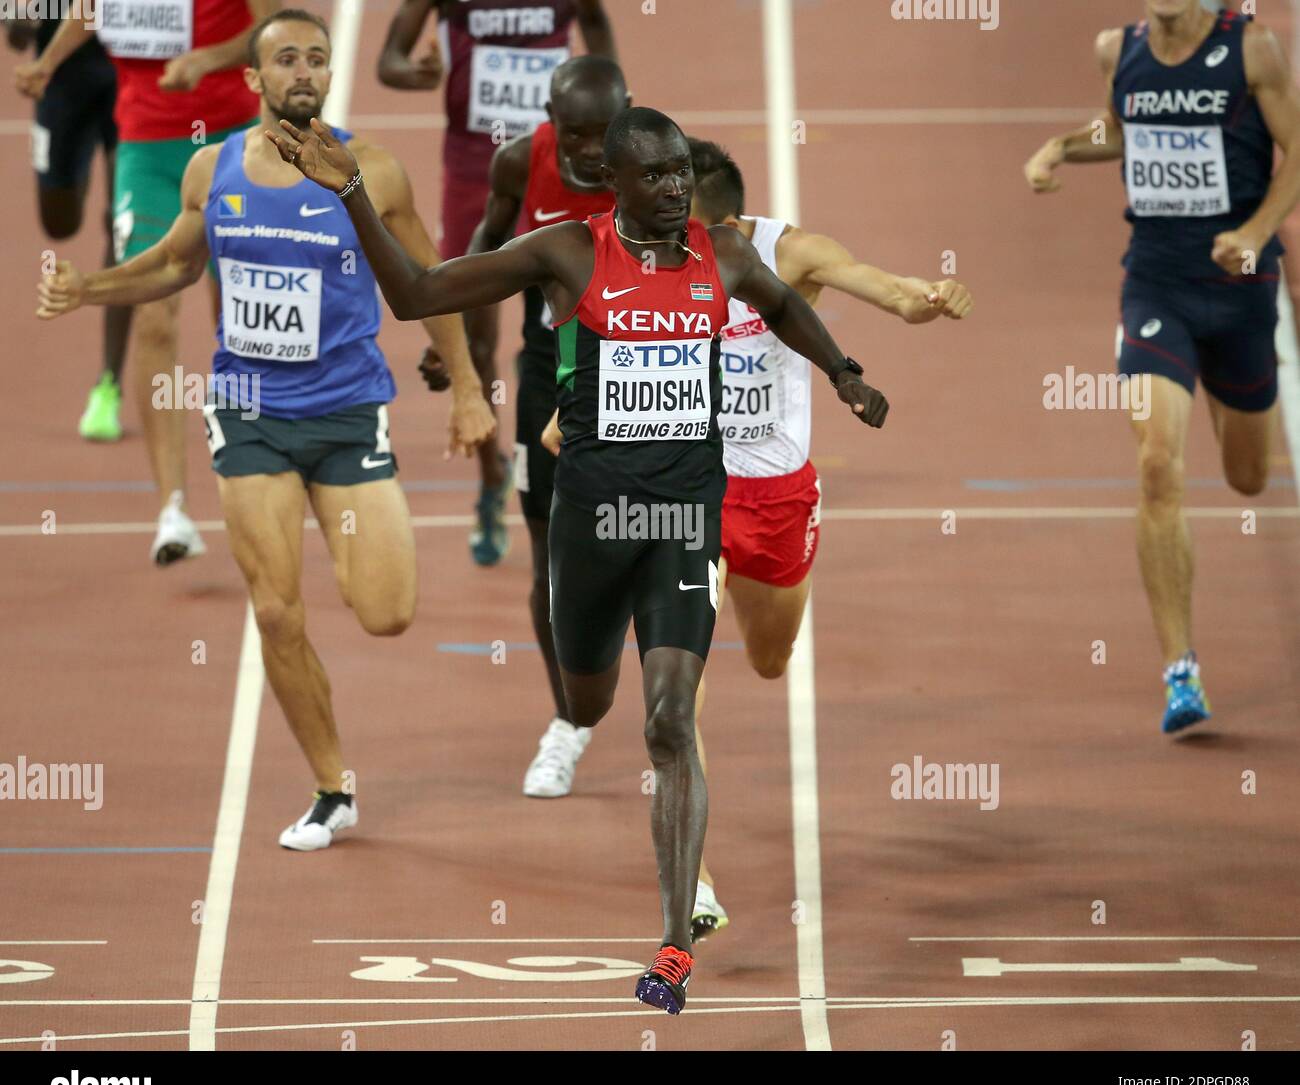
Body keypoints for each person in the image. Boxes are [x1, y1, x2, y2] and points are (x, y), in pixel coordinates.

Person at [264, 104, 888, 1012]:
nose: (678, 188)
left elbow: (786, 305)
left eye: (684, 172)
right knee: (591, 695)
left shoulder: (726, 256)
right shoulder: (565, 253)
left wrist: (843, 372)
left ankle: (676, 945)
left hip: (681, 517)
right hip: (592, 528)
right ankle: (578, 714)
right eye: (659, 176)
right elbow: (417, 291)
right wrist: (354, 192)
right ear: (617, 186)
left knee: (670, 722)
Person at [36, 8, 496, 851]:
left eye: (317, 60)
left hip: (348, 411)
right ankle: (332, 787)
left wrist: (468, 388)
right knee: (278, 613)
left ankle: (334, 768)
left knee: (385, 612)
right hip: (250, 417)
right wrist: (89, 289)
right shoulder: (212, 172)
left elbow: (430, 283)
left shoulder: (373, 172)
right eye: (286, 60)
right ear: (252, 80)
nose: (305, 73)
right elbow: (176, 261)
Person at [653, 139, 971, 940]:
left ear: (726, 223)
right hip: (688, 497)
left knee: (768, 659)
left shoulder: (791, 253)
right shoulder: (647, 253)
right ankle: (693, 880)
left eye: (687, 227)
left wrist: (924, 298)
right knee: (674, 697)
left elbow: (884, 289)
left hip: (777, 501)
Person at [1023, 1, 1300, 733]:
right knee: (1156, 465)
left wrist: (1254, 232)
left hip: (1241, 288)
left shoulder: (1254, 49)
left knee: (1247, 477)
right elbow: (1116, 130)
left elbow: (1296, 148)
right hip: (1156, 284)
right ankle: (1182, 672)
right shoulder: (1119, 49)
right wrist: (1057, 147)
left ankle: (1220, 384)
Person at [18, 0, 276, 565]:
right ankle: (173, 509)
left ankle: (260, 475)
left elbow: (273, 27)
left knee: (237, 316)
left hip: (230, 142)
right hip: (146, 146)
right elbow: (90, 11)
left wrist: (209, 59)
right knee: (153, 310)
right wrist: (50, 63)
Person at [377, 0, 616, 566]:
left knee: (595, 308)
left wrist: (605, 117)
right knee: (474, 341)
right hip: (476, 163)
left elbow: (600, 36)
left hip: (569, 156)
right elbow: (389, 59)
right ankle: (491, 478)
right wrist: (416, 74)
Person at [460, 55, 624, 797]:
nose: (592, 150)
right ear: (551, 124)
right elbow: (483, 257)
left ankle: (664, 698)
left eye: (604, 132)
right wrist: (465, 361)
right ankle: (568, 724)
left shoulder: (654, 159)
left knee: (648, 545)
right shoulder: (520, 161)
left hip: (644, 367)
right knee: (548, 553)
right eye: (575, 133)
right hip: (548, 375)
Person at [5, 8, 131, 441]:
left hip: (132, 73)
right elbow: (17, 33)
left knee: (123, 227)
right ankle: (80, 166)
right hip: (63, 79)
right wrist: (18, 17)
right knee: (59, 224)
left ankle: (108, 385)